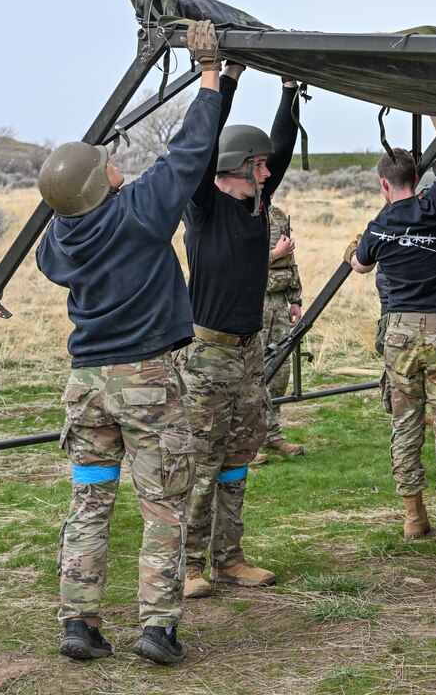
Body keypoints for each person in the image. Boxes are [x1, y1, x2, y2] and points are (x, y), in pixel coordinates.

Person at [36, 20, 222, 665]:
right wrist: (209, 80)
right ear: (102, 182)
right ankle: (158, 628)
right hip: (143, 383)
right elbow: (190, 155)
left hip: (86, 387)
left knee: (89, 501)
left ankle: (78, 623)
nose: (116, 162)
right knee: (164, 505)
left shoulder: (59, 238)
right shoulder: (139, 212)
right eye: (107, 163)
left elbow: (63, 227)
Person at [179, 74, 300, 598]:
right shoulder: (203, 205)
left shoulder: (256, 203)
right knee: (201, 463)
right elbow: (201, 144)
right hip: (207, 356)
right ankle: (185, 565)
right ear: (238, 167)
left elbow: (284, 147)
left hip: (247, 356)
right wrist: (221, 81)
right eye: (260, 164)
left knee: (236, 460)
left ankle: (229, 559)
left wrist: (289, 92)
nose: (269, 173)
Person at [349, 116, 436, 549]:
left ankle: (413, 517)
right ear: (417, 177)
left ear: (384, 185)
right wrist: (435, 110)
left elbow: (360, 265)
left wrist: (368, 241)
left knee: (406, 422)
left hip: (400, 333)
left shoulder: (378, 226)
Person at [257, 202, 305, 459]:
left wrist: (295, 298)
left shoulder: (277, 215)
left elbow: (291, 259)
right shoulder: (243, 215)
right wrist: (274, 253)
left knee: (279, 371)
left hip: (278, 302)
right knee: (253, 374)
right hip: (255, 301)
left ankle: (271, 434)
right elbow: (238, 260)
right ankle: (248, 439)